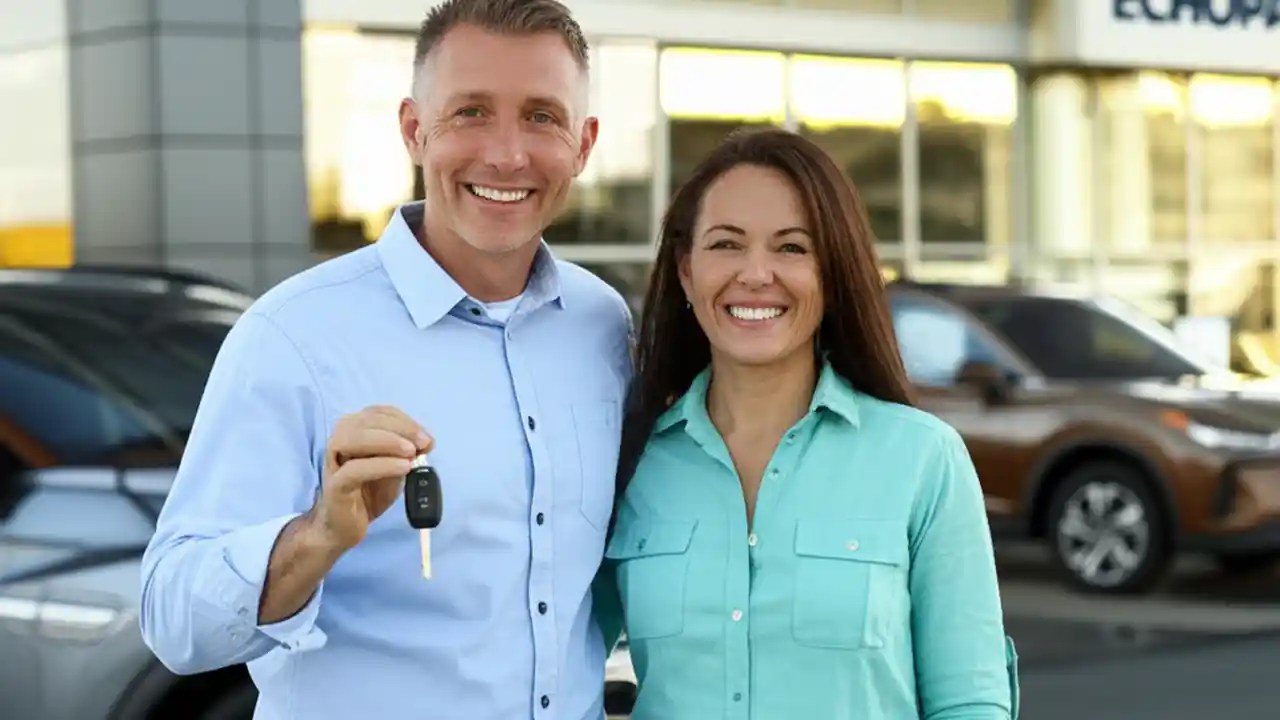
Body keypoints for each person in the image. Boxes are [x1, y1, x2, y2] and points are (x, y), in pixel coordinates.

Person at [139, 2, 633, 718]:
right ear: (413, 129)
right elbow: (171, 620)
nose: (505, 153)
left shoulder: (601, 326)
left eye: (541, 116)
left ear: (584, 144)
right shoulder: (292, 335)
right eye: (470, 112)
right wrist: (317, 537)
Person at [594, 128, 1020, 719]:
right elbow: (555, 662)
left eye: (792, 248)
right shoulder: (633, 462)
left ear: (832, 274)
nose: (756, 274)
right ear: (687, 273)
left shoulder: (922, 458)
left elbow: (970, 703)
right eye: (726, 245)